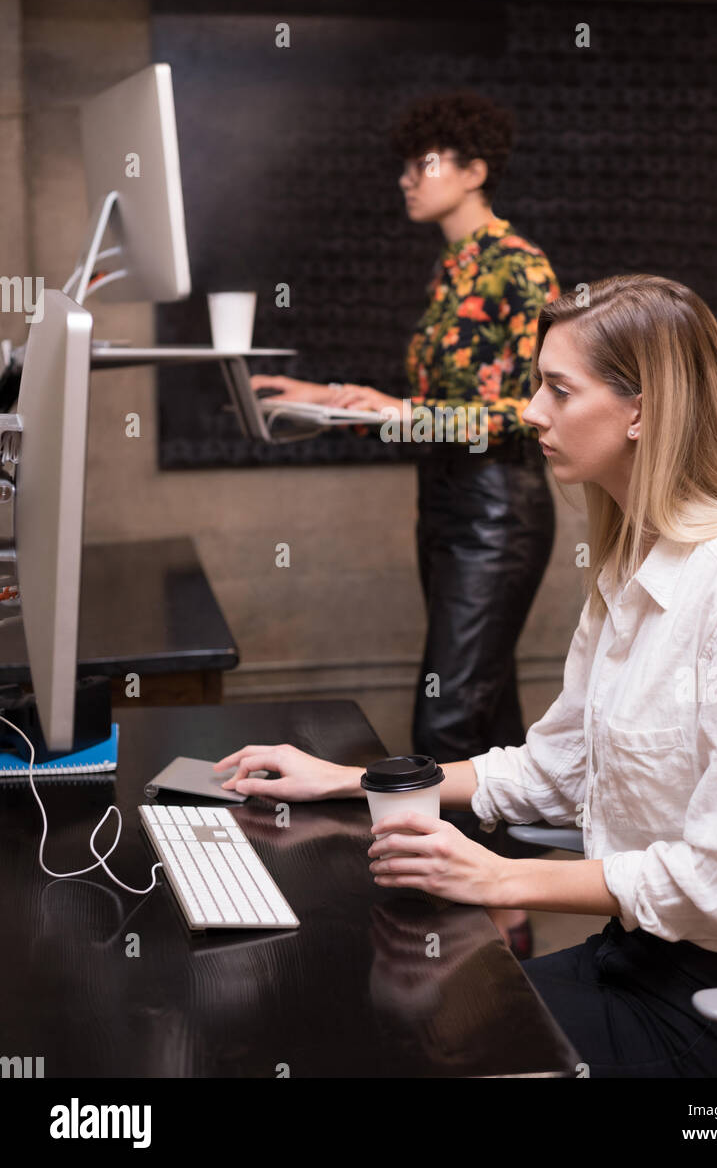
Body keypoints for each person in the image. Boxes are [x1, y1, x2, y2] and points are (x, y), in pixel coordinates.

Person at [224, 273, 717, 1077]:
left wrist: (498, 875)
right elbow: (552, 769)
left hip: (708, 1015)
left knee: (404, 1053)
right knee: (378, 1018)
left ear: (641, 411)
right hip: (629, 961)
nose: (530, 412)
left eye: (558, 390)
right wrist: (344, 779)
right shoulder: (634, 565)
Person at [250, 91, 561, 957]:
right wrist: (328, 398)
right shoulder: (449, 268)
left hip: (498, 508)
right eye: (406, 163)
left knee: (445, 726)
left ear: (472, 169)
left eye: (423, 163)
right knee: (488, 712)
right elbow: (432, 406)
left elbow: (516, 414)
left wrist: (397, 409)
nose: (405, 179)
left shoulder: (516, 267)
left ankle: (441, 929)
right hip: (449, 505)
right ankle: (504, 927)